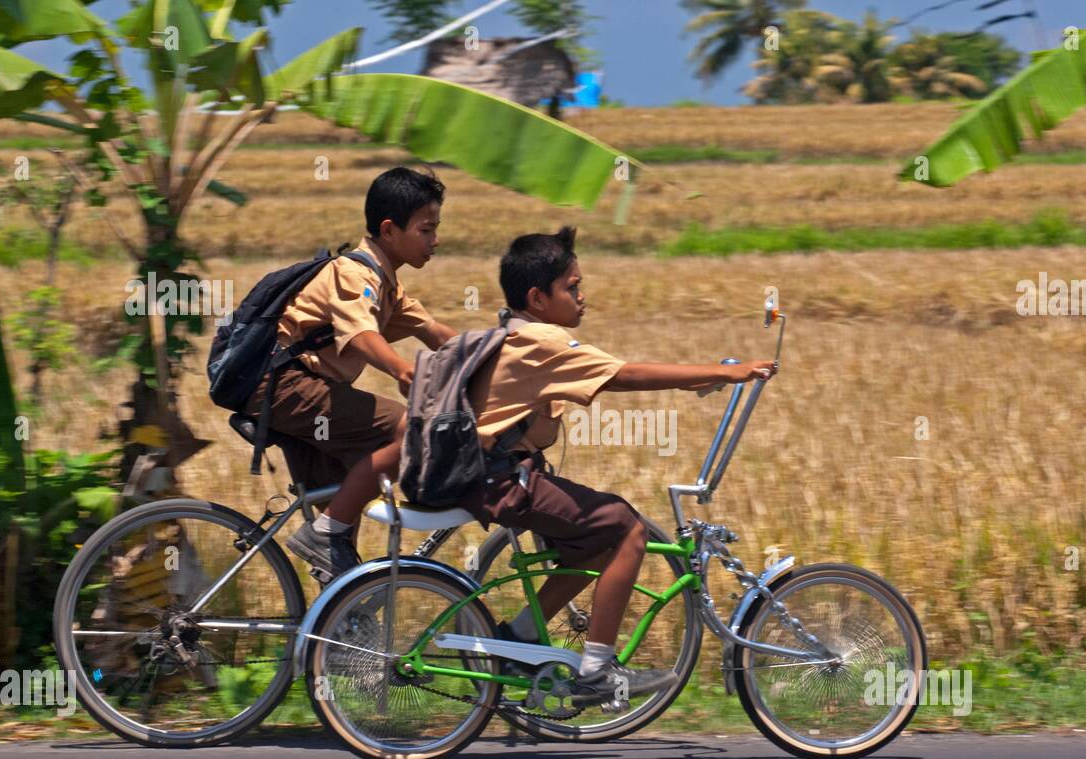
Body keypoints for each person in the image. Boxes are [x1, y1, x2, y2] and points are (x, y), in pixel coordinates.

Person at [456, 226, 776, 702]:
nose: (582, 297)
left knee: (598, 542)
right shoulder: (541, 341)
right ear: (538, 298)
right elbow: (622, 375)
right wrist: (725, 371)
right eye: (572, 287)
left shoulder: (516, 333)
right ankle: (596, 671)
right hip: (502, 480)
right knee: (627, 528)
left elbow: (603, 377)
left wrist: (691, 379)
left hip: (496, 474)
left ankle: (520, 637)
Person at [242, 166, 458, 577]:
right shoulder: (354, 274)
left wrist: (496, 361)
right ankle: (324, 535)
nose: (435, 240)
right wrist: (401, 370)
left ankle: (335, 600)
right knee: (409, 427)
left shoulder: (387, 286)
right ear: (389, 230)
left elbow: (435, 333)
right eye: (426, 230)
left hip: (307, 393)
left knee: (339, 549)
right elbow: (359, 334)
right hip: (286, 385)